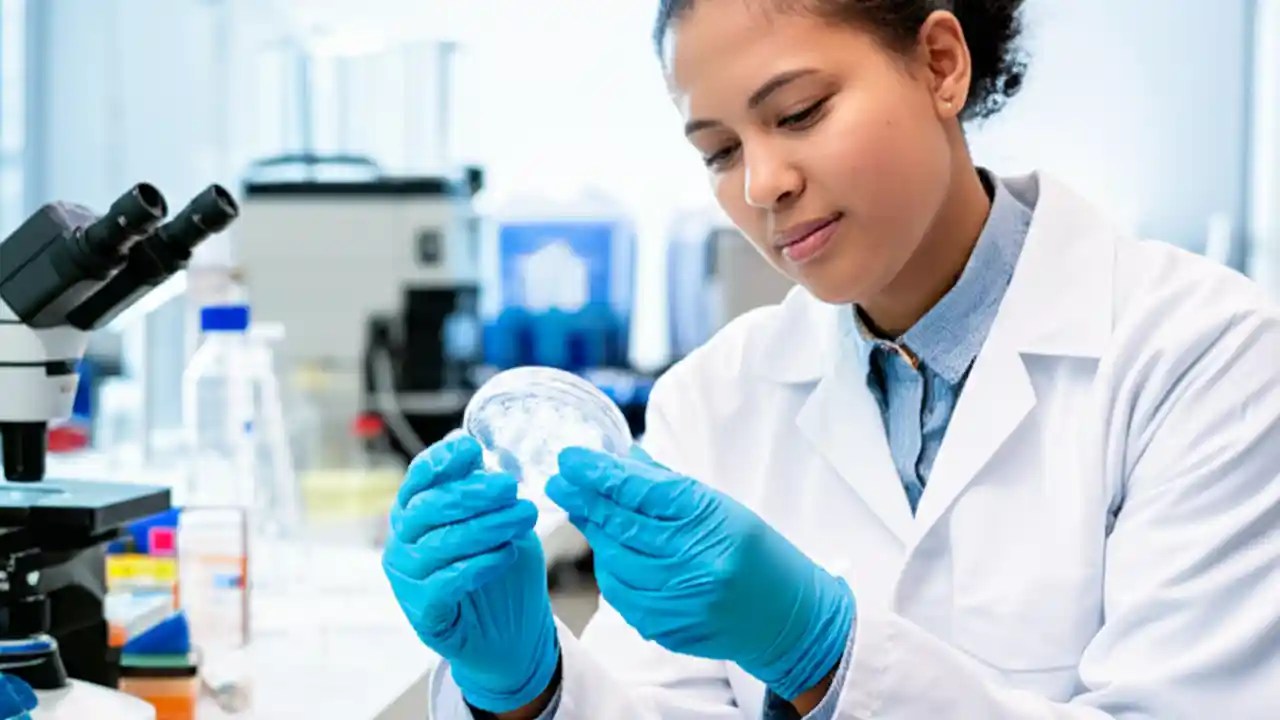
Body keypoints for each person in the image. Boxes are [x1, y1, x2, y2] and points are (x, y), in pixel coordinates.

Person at [382, 1, 1280, 718]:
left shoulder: (1206, 359)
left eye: (800, 113)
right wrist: (529, 689)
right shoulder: (715, 396)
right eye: (720, 151)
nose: (761, 183)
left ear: (940, 64)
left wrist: (824, 652)